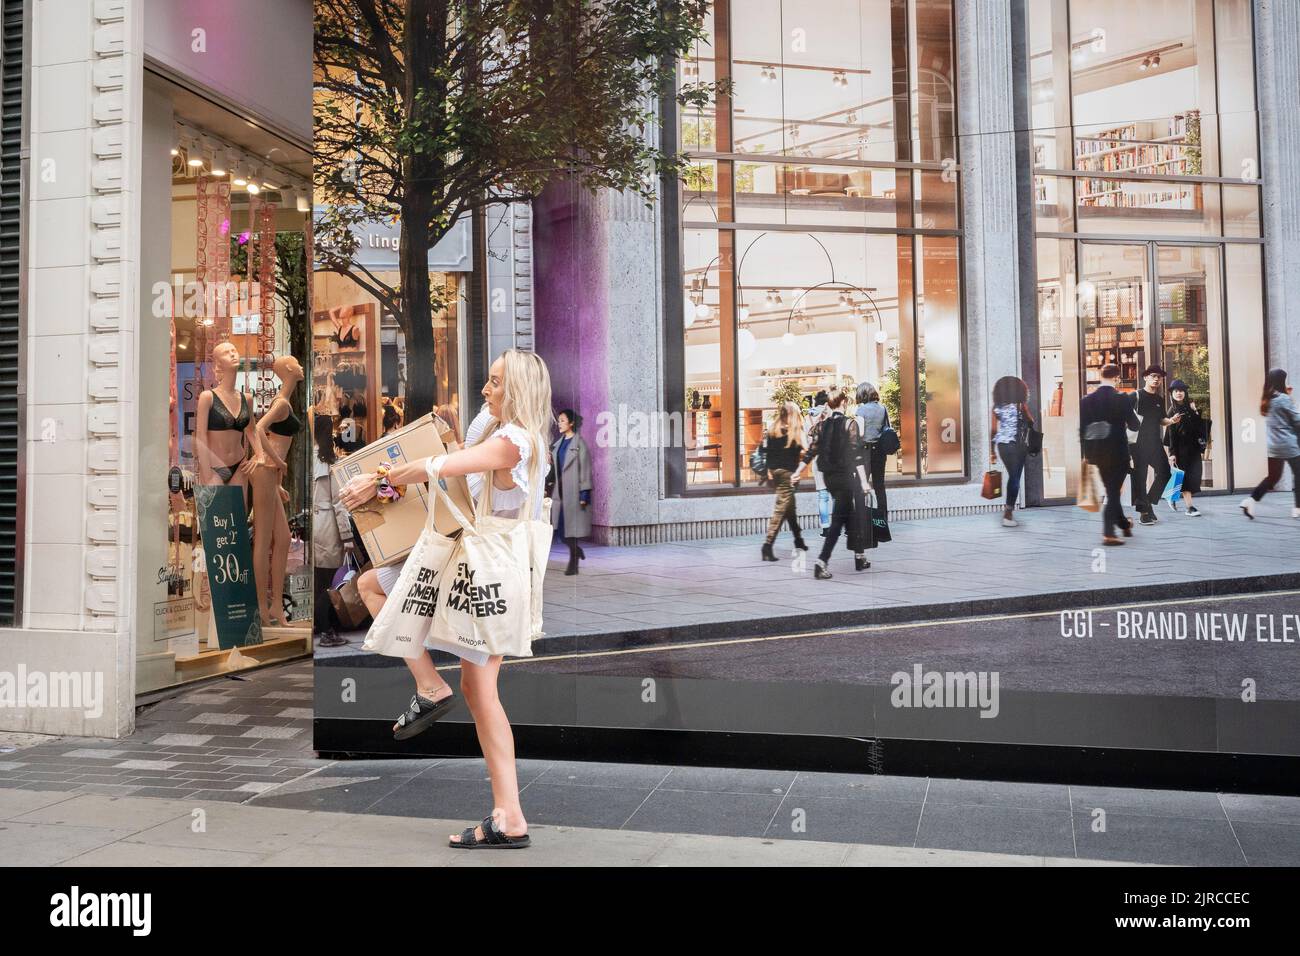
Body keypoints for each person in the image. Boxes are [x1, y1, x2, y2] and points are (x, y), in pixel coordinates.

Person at [341, 349, 552, 849]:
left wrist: (382, 478)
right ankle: (508, 813)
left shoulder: (515, 443)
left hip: (483, 576)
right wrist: (456, 427)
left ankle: (506, 810)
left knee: (481, 695)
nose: (486, 387)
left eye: (496, 382)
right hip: (482, 574)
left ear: (517, 390)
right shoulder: (506, 431)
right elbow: (461, 453)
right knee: (480, 693)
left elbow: (442, 465)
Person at [354, 404, 465, 734]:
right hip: (447, 554)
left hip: (450, 557)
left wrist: (381, 480)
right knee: (369, 584)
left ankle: (431, 685)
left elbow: (440, 480)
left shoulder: (459, 456)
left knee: (370, 586)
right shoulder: (458, 453)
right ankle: (430, 684)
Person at [794, 386, 870, 578]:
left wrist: (797, 471)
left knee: (849, 515)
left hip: (829, 477)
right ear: (844, 403)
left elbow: (811, 451)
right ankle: (821, 562)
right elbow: (857, 455)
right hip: (844, 477)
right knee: (838, 520)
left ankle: (860, 556)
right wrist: (863, 482)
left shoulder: (822, 425)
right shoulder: (850, 424)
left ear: (829, 404)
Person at [1080, 364, 1141, 545]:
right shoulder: (1121, 399)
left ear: (1101, 376)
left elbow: (1082, 430)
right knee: (1113, 492)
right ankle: (1108, 533)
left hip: (1097, 454)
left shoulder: (1086, 400)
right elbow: (1135, 425)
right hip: (1118, 452)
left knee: (1111, 490)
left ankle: (1124, 524)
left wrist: (1086, 455)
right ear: (1116, 378)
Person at [310, 408, 351, 648]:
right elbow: (339, 503)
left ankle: (319, 625)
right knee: (328, 580)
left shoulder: (310, 459)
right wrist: (347, 537)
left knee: (318, 580)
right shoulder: (330, 461)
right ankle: (326, 628)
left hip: (313, 525)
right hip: (328, 527)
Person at [1241, 368, 1300, 520]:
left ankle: (1250, 500)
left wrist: (1287, 395)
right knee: (1298, 475)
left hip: (1273, 446)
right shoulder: (1284, 399)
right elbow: (1296, 420)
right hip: (1289, 445)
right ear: (1282, 381)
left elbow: (1280, 412)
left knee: (1273, 477)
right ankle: (1298, 509)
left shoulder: (1267, 399)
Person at [1130, 365, 1179, 525]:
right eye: (1153, 376)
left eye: (1159, 376)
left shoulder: (1159, 399)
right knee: (1141, 477)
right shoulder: (1135, 396)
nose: (1157, 379)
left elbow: (1161, 419)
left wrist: (1171, 421)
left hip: (1154, 443)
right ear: (1145, 377)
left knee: (1165, 472)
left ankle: (1149, 502)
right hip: (1137, 444)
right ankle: (1144, 513)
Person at [759, 401, 808, 561]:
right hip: (788, 473)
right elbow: (807, 450)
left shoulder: (773, 429)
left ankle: (798, 540)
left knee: (789, 508)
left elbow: (765, 451)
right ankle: (767, 545)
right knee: (781, 509)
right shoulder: (796, 431)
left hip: (775, 472)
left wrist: (768, 469)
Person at [550, 409, 593, 575]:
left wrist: (584, 493)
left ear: (571, 423)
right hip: (558, 493)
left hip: (573, 493)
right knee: (561, 531)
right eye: (559, 420)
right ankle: (577, 551)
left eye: (562, 420)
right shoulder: (557, 444)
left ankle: (573, 562)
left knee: (571, 531)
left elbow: (585, 470)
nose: (559, 423)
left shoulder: (579, 444)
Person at [990, 376, 1035, 528]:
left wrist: (992, 452)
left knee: (1012, 476)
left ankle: (1008, 512)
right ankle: (1008, 514)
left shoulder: (996, 407)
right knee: (1015, 477)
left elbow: (993, 430)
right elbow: (1031, 421)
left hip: (1002, 445)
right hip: (1018, 444)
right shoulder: (1020, 405)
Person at [1164, 379, 1206, 516]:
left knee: (1195, 475)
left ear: (1185, 392)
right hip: (1181, 449)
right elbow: (1171, 435)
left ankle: (1171, 496)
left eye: (1181, 390)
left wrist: (1196, 411)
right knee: (1186, 478)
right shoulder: (1172, 411)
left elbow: (1199, 427)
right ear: (1172, 394)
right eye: (1176, 391)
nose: (1179, 393)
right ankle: (1190, 507)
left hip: (1193, 448)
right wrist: (1172, 452)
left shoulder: (1190, 408)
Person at [854, 382, 890, 521]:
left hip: (864, 450)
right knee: (879, 485)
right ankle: (882, 519)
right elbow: (887, 428)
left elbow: (860, 433)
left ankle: (861, 519)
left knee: (860, 485)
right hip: (880, 451)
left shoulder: (861, 410)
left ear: (861, 394)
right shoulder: (882, 408)